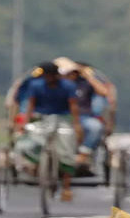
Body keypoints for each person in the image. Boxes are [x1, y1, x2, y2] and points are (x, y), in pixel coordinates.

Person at [18, 61, 84, 201]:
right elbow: (31, 104)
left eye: (50, 75)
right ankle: (34, 166)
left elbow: (73, 106)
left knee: (66, 151)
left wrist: (76, 125)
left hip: (62, 120)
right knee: (29, 143)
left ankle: (66, 187)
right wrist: (25, 123)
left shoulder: (68, 86)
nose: (48, 78)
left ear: (56, 75)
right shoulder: (36, 86)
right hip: (42, 119)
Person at [56, 57, 113, 168]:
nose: (70, 75)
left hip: (83, 116)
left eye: (73, 72)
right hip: (63, 116)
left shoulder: (84, 83)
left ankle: (83, 154)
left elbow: (103, 92)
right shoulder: (57, 85)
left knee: (95, 127)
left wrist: (87, 76)